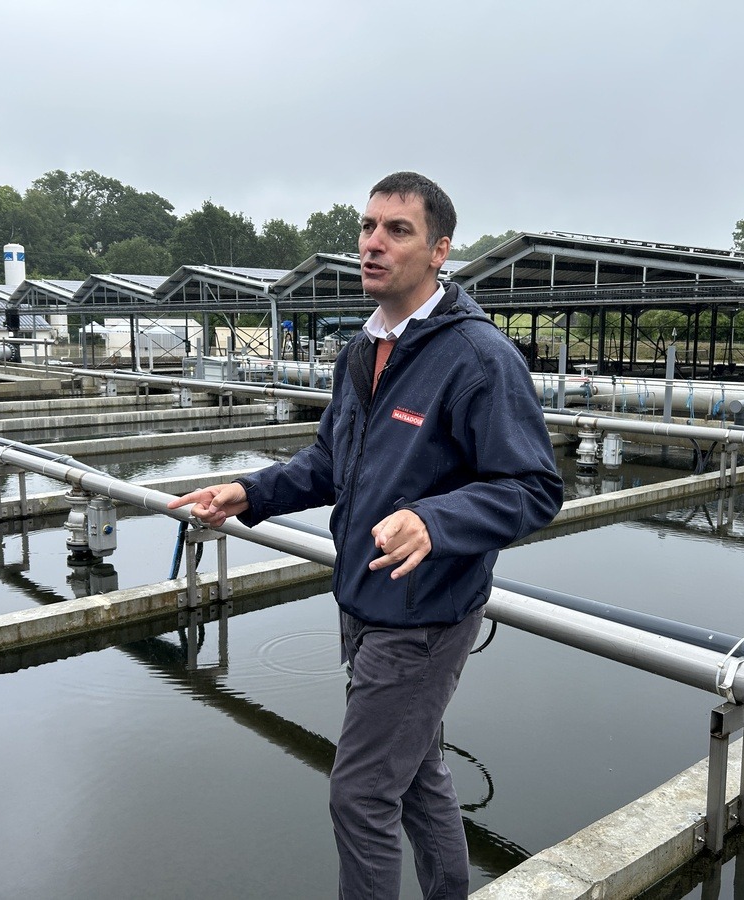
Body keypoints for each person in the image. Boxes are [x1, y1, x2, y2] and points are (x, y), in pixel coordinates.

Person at [169, 171, 562, 899]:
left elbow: (535, 489)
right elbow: (330, 463)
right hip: (363, 602)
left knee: (360, 794)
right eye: (368, 226)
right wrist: (248, 491)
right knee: (415, 774)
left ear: (440, 250)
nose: (373, 244)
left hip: (424, 615)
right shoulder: (366, 348)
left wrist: (436, 520)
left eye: (398, 230)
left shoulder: (479, 359)